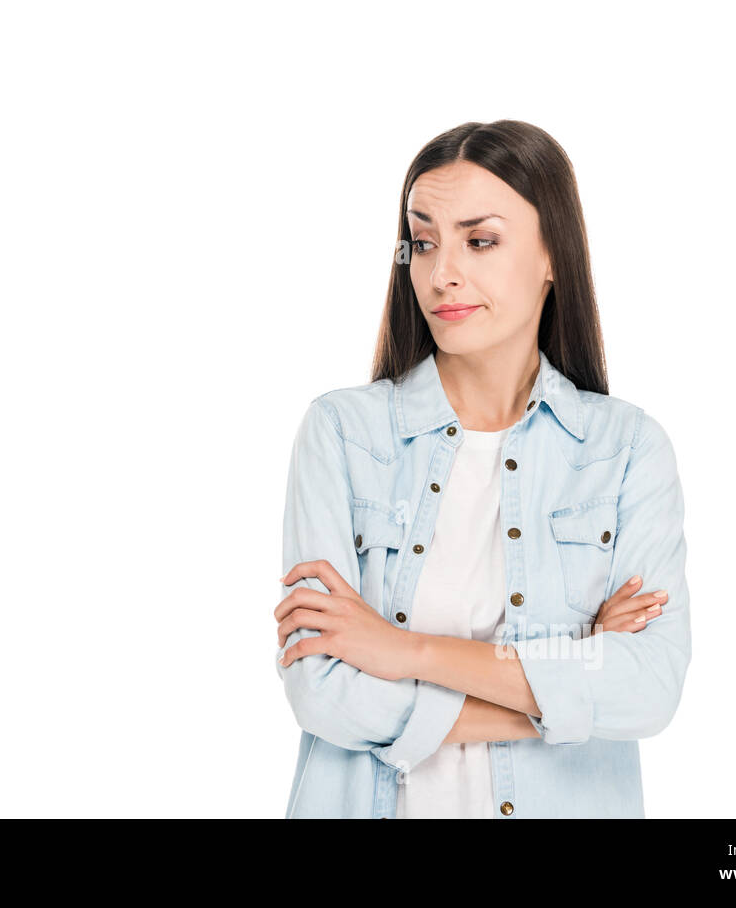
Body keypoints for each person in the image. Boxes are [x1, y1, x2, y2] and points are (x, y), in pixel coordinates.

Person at [273, 120, 690, 819]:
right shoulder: (342, 434)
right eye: (424, 242)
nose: (442, 274)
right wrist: (570, 674)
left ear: (554, 253)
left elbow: (648, 688)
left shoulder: (625, 451)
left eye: (481, 240)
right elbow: (323, 691)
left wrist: (401, 649)